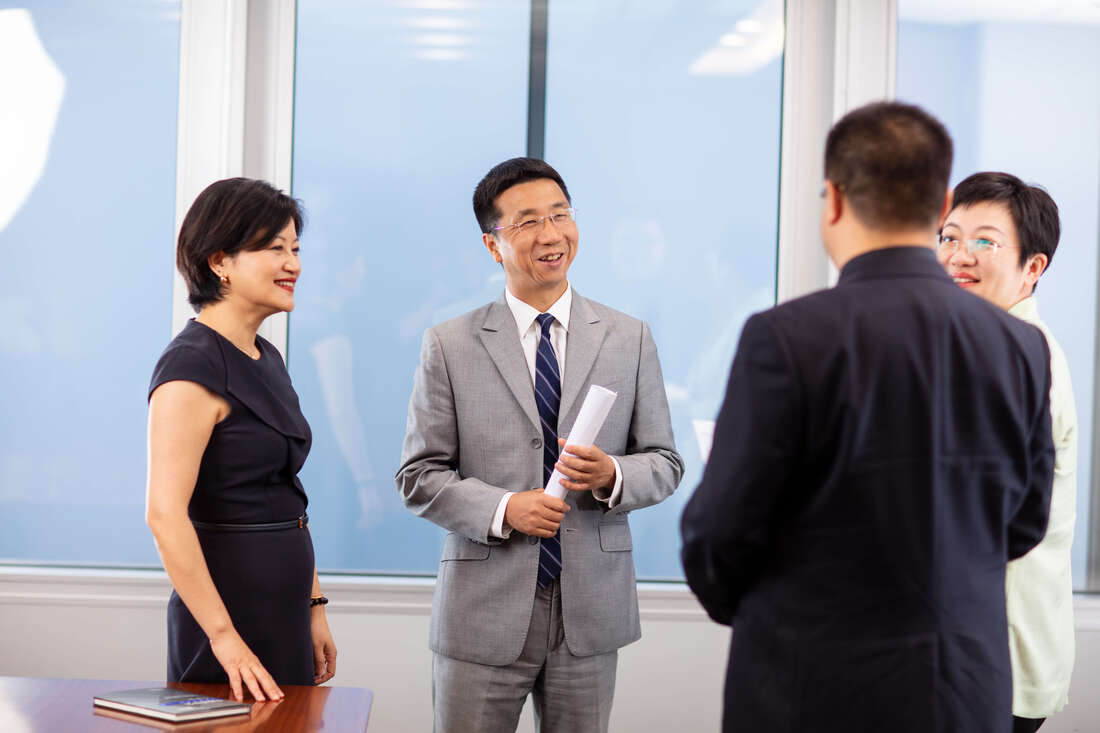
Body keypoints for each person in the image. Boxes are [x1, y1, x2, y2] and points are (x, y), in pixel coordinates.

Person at [679, 102, 1056, 733]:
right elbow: (1024, 522)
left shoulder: (785, 337)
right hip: (963, 693)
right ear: (941, 209)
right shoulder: (1019, 345)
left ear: (832, 200)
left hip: (813, 689)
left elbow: (719, 533)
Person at [396, 157, 683, 733]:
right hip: (482, 608)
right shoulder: (449, 344)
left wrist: (611, 476)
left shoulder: (629, 338)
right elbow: (419, 475)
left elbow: (665, 462)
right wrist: (505, 508)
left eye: (561, 215)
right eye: (528, 222)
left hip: (592, 610)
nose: (551, 234)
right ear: (492, 243)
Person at [146, 178, 336, 702]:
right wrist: (225, 638)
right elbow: (164, 514)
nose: (293, 264)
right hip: (226, 613)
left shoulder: (265, 356)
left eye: (295, 249)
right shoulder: (191, 365)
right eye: (274, 248)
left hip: (284, 604)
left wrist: (313, 606)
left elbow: (284, 491)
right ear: (219, 261)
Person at [938, 172, 1076, 733]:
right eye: (949, 236)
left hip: (992, 654)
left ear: (1033, 267)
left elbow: (991, 515)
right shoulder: (984, 343)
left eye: (985, 242)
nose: (958, 255)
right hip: (981, 650)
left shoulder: (1018, 355)